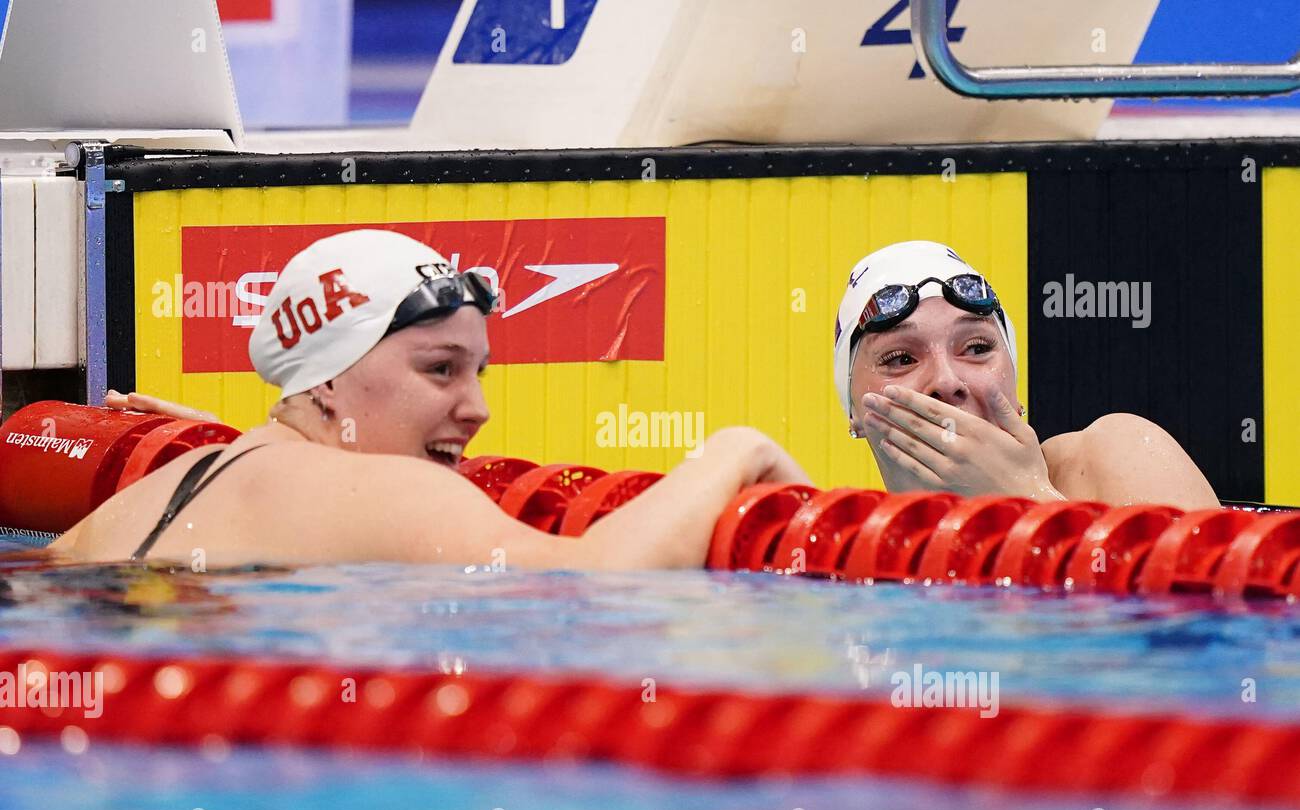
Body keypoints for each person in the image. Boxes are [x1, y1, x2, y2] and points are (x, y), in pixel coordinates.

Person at [49, 230, 808, 568]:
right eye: (441, 370)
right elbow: (597, 583)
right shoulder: (383, 487)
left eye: (479, 373)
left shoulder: (147, 498)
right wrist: (735, 448)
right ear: (327, 379)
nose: (477, 409)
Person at [832, 241, 1219, 510]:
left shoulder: (1114, 456)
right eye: (901, 359)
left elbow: (1204, 620)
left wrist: (1027, 497)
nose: (947, 381)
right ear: (853, 409)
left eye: (977, 348)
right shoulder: (860, 555)